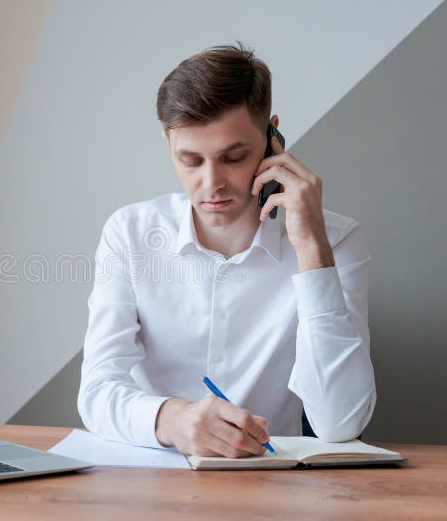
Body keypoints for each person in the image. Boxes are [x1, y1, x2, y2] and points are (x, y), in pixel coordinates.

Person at [77, 42, 376, 459]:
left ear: (272, 136)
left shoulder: (335, 240)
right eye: (191, 160)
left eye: (233, 157)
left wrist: (311, 250)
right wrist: (173, 420)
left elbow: (341, 422)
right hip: (151, 476)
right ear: (168, 143)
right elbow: (97, 390)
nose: (211, 183)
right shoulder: (129, 233)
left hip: (270, 484)